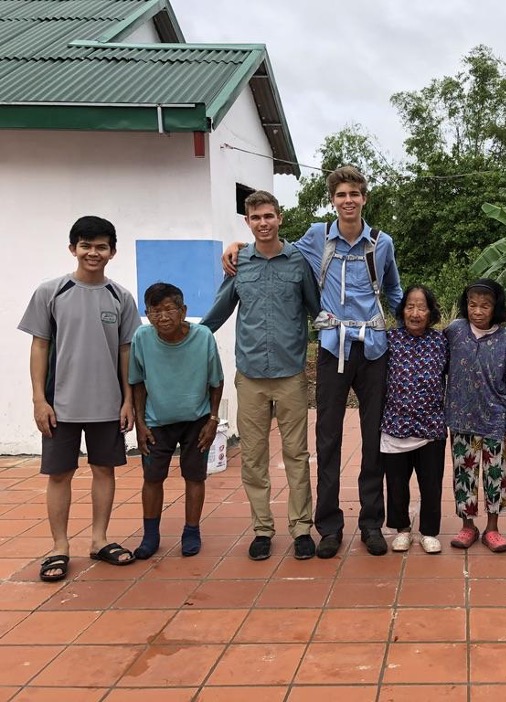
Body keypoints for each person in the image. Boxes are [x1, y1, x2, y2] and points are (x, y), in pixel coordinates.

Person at [222, 166, 402, 558]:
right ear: (332, 200)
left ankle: (372, 524)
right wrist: (236, 245)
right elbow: (274, 246)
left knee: (374, 441)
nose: (348, 201)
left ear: (364, 198)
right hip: (332, 349)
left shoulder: (381, 242)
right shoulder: (316, 237)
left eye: (355, 193)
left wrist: (413, 334)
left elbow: (394, 291)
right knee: (328, 440)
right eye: (341, 195)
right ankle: (329, 527)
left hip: (373, 350)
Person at [19, 215, 141, 581]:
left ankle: (99, 539)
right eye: (85, 245)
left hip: (107, 403)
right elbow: (40, 346)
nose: (93, 252)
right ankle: (59, 547)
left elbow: (126, 352)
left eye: (101, 246)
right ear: (73, 249)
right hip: (60, 405)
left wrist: (127, 401)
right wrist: (39, 400)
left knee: (104, 470)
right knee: (60, 474)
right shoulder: (50, 292)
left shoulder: (120, 297)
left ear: (112, 252)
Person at [204, 190, 320, 561]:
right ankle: (262, 529)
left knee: (296, 455)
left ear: (280, 218)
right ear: (248, 223)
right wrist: (181, 340)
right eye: (256, 218)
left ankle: (302, 528)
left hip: (290, 375)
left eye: (269, 216)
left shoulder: (299, 262)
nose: (263, 223)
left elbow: (318, 310)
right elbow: (218, 312)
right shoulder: (240, 264)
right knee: (253, 457)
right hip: (250, 376)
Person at [130, 283, 224, 559]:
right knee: (152, 477)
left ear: (183, 311)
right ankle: (150, 535)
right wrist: (140, 424)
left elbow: (215, 382)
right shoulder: (142, 338)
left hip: (197, 420)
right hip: (156, 421)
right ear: (147, 314)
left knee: (194, 476)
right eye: (155, 311)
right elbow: (137, 383)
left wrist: (213, 419)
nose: (163, 317)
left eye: (169, 309)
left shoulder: (203, 337)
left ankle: (191, 531)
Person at [447, 279, 506, 552]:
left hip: (494, 420)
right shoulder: (455, 331)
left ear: (496, 308)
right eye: (472, 304)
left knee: (494, 475)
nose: (477, 311)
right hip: (460, 418)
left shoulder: (505, 340)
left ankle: (492, 529)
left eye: (485, 306)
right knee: (463, 473)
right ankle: (468, 526)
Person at [381, 285, 448, 554]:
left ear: (430, 312)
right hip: (395, 424)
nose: (416, 313)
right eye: (410, 306)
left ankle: (429, 531)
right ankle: (402, 530)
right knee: (396, 484)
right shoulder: (389, 339)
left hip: (430, 426)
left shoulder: (441, 341)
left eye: (422, 307)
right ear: (402, 310)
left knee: (431, 483)